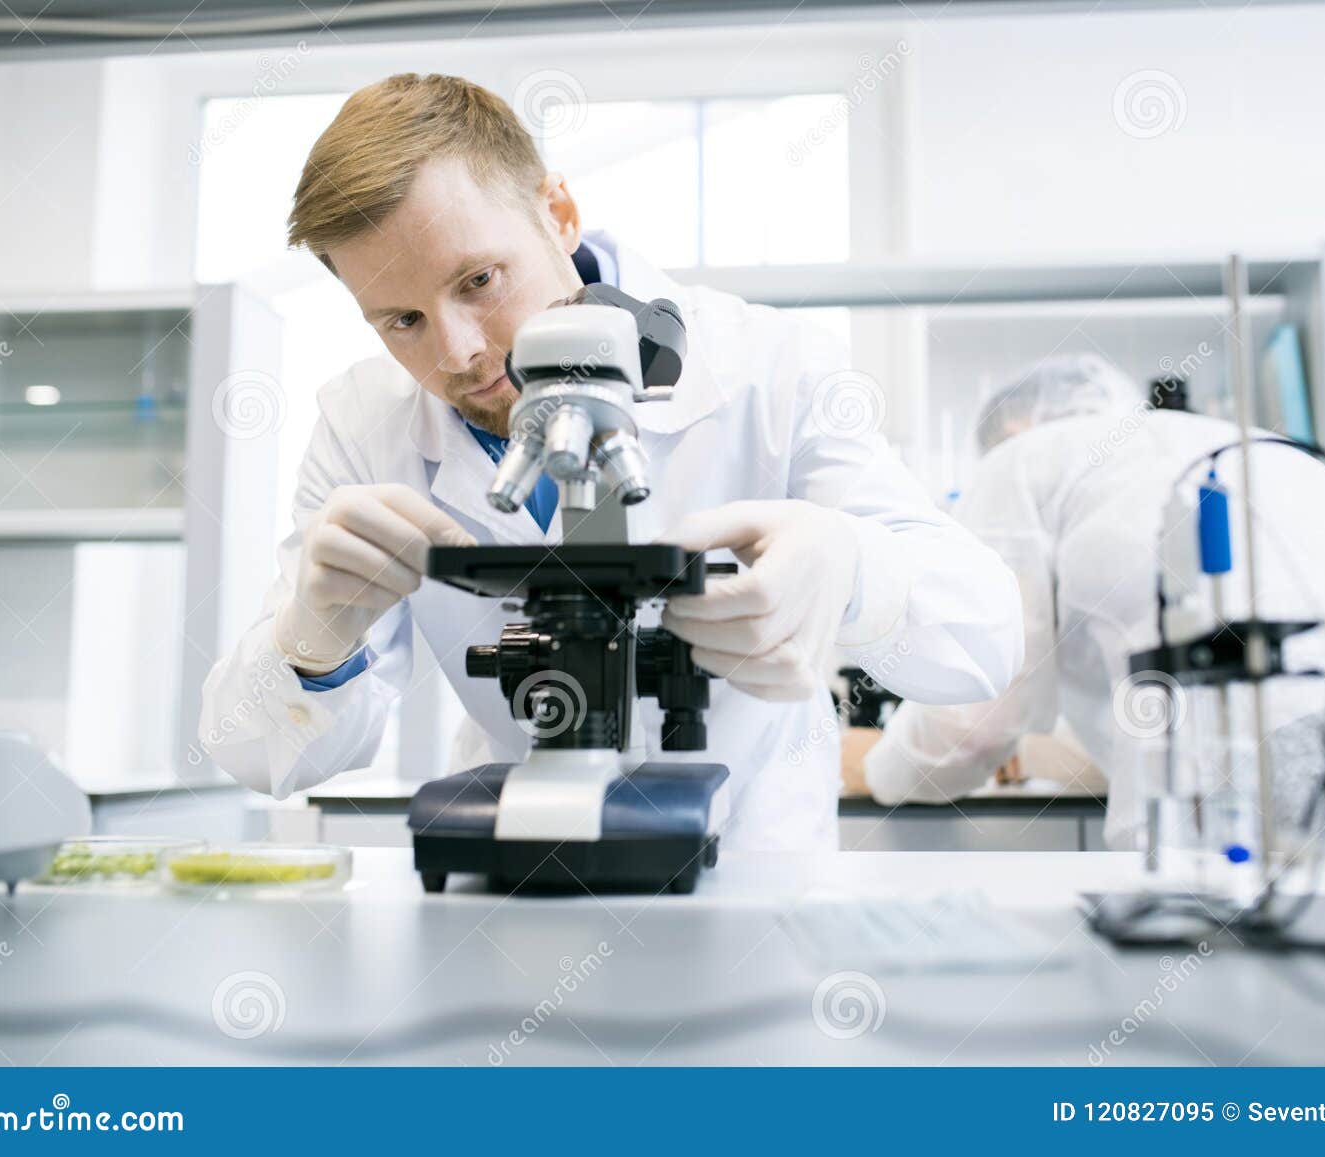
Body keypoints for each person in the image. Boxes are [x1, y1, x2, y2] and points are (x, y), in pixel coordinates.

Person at [197, 73, 1024, 852]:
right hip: (517, 877)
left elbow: (986, 639)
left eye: (480, 279)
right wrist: (313, 637)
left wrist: (850, 570)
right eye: (401, 320)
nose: (460, 351)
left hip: (751, 878)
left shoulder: (771, 367)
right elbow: (259, 756)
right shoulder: (360, 424)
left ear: (558, 212)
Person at [846, 353, 1325, 851]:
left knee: (1260, 985)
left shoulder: (1018, 459)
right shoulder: (1239, 441)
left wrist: (879, 768)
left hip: (1260, 754)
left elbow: (975, 717)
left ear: (1014, 426)